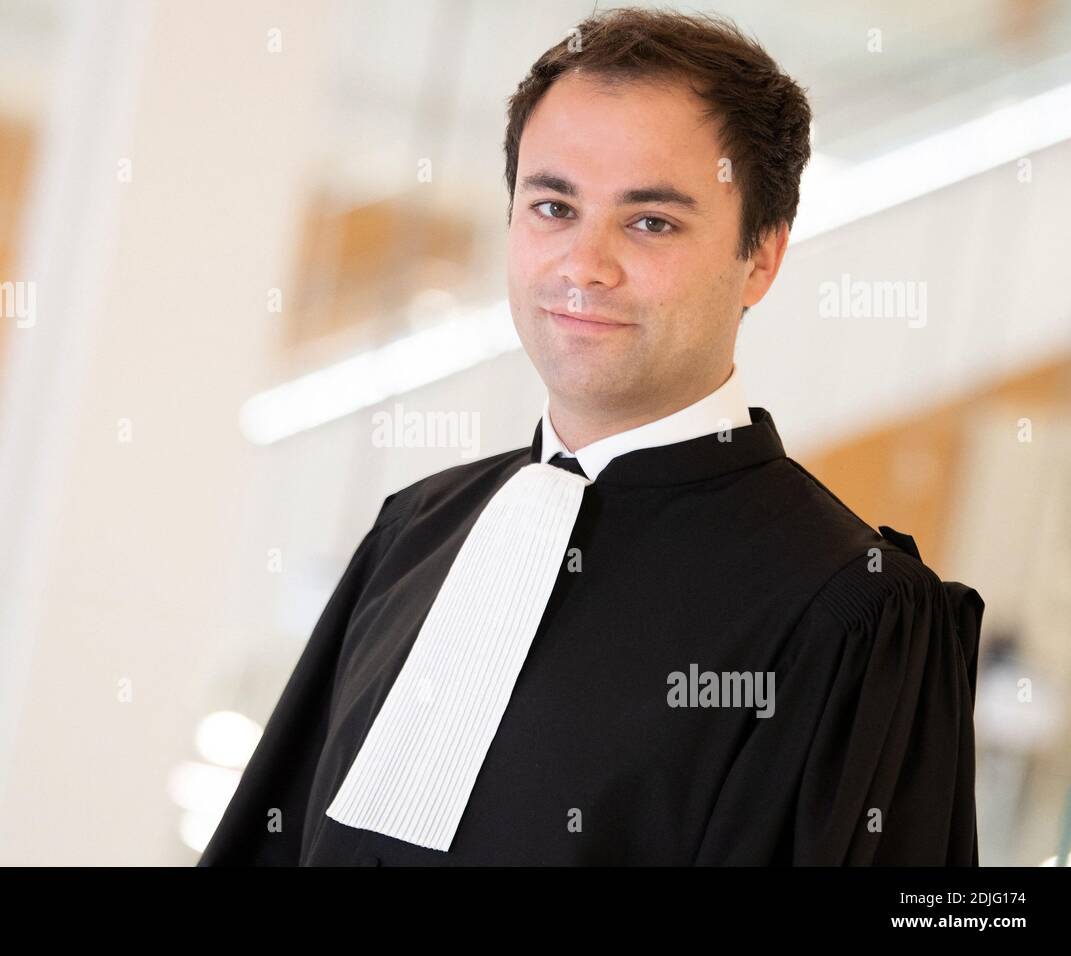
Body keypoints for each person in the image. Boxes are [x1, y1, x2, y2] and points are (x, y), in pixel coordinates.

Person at [199, 8, 983, 866]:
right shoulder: (414, 531)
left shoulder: (856, 616)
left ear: (761, 255)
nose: (584, 265)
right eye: (552, 206)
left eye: (651, 222)